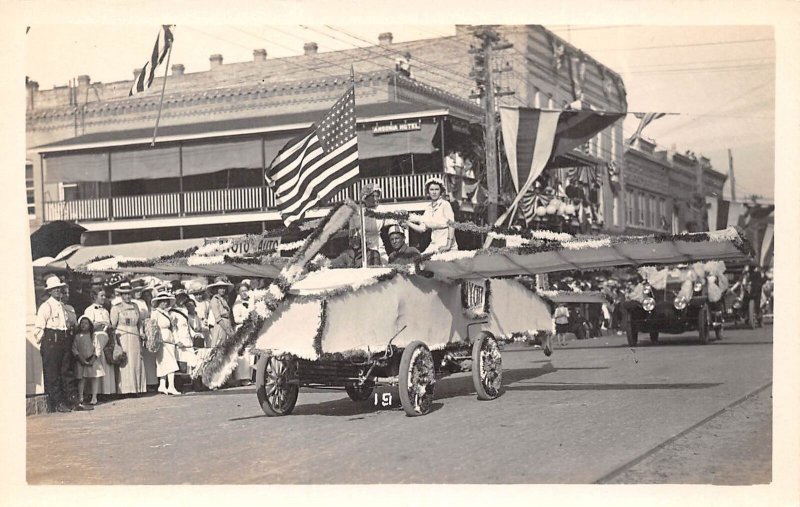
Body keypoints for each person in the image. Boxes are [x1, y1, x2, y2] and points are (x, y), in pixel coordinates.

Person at [33, 275, 74, 412]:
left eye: (59, 288)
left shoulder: (62, 306)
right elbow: (38, 328)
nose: (57, 291)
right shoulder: (46, 306)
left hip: (64, 339)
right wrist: (45, 344)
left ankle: (71, 400)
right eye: (54, 289)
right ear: (49, 291)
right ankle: (57, 403)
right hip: (52, 341)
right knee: (53, 373)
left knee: (66, 371)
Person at [110, 281, 146, 395]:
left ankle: (137, 388)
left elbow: (139, 322)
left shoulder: (135, 306)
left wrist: (141, 332)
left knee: (135, 360)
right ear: (121, 295)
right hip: (122, 335)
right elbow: (113, 325)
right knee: (125, 360)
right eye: (125, 294)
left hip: (134, 334)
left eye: (129, 293)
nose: (128, 296)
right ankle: (125, 390)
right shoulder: (116, 308)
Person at [405, 177, 457, 255]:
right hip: (434, 244)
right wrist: (407, 223)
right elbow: (422, 228)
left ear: (441, 191)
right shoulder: (428, 208)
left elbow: (452, 225)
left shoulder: (445, 204)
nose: (434, 192)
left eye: (437, 189)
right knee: (421, 259)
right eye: (431, 189)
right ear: (428, 191)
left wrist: (448, 245)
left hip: (446, 244)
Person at [84, 288, 116, 397]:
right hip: (96, 340)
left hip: (106, 340)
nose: (104, 298)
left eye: (104, 295)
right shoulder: (89, 310)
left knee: (106, 363)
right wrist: (97, 325)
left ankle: (107, 391)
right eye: (101, 295)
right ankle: (97, 393)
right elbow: (86, 326)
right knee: (97, 365)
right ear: (94, 296)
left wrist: (109, 327)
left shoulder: (105, 311)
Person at [350, 183, 390, 264]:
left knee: (385, 263)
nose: (376, 199)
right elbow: (352, 234)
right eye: (373, 196)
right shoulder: (357, 213)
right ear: (366, 197)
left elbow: (392, 223)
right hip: (361, 247)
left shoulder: (382, 209)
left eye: (377, 196)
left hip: (377, 245)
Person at [151, 291, 180, 395]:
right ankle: (171, 386)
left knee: (165, 363)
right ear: (158, 302)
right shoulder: (155, 313)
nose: (165, 303)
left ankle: (162, 385)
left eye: (166, 301)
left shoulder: (167, 313)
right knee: (169, 363)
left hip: (169, 339)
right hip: (161, 340)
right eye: (163, 301)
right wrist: (155, 339)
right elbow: (152, 327)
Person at [71, 315, 102, 410]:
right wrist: (80, 359)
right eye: (82, 323)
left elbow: (98, 348)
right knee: (81, 379)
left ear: (90, 325)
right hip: (81, 361)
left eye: (86, 323)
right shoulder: (77, 337)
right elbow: (74, 349)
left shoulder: (93, 336)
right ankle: (81, 397)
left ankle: (94, 397)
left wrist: (93, 358)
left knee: (94, 378)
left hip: (92, 360)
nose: (83, 325)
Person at [232, 280, 255, 386]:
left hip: (251, 329)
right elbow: (236, 319)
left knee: (250, 352)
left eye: (246, 290)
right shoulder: (237, 305)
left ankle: (249, 376)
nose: (244, 293)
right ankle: (242, 377)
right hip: (241, 328)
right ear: (239, 293)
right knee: (242, 353)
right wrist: (247, 319)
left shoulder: (251, 303)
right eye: (242, 291)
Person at [207, 276, 235, 348]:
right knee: (219, 344)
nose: (223, 290)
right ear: (216, 289)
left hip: (227, 323)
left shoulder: (223, 299)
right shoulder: (215, 300)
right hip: (221, 325)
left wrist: (229, 328)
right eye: (220, 288)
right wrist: (226, 329)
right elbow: (218, 318)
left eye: (224, 288)